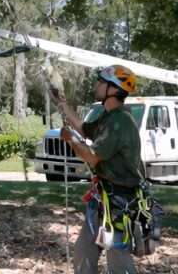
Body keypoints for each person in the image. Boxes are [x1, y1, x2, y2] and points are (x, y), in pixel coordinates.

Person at [50, 65, 146, 274]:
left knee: (118, 261)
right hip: (102, 200)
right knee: (83, 255)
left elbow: (92, 157)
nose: (96, 85)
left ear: (113, 89)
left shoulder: (120, 121)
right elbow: (84, 129)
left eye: (101, 82)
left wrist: (71, 141)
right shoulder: (108, 117)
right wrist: (62, 104)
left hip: (118, 204)